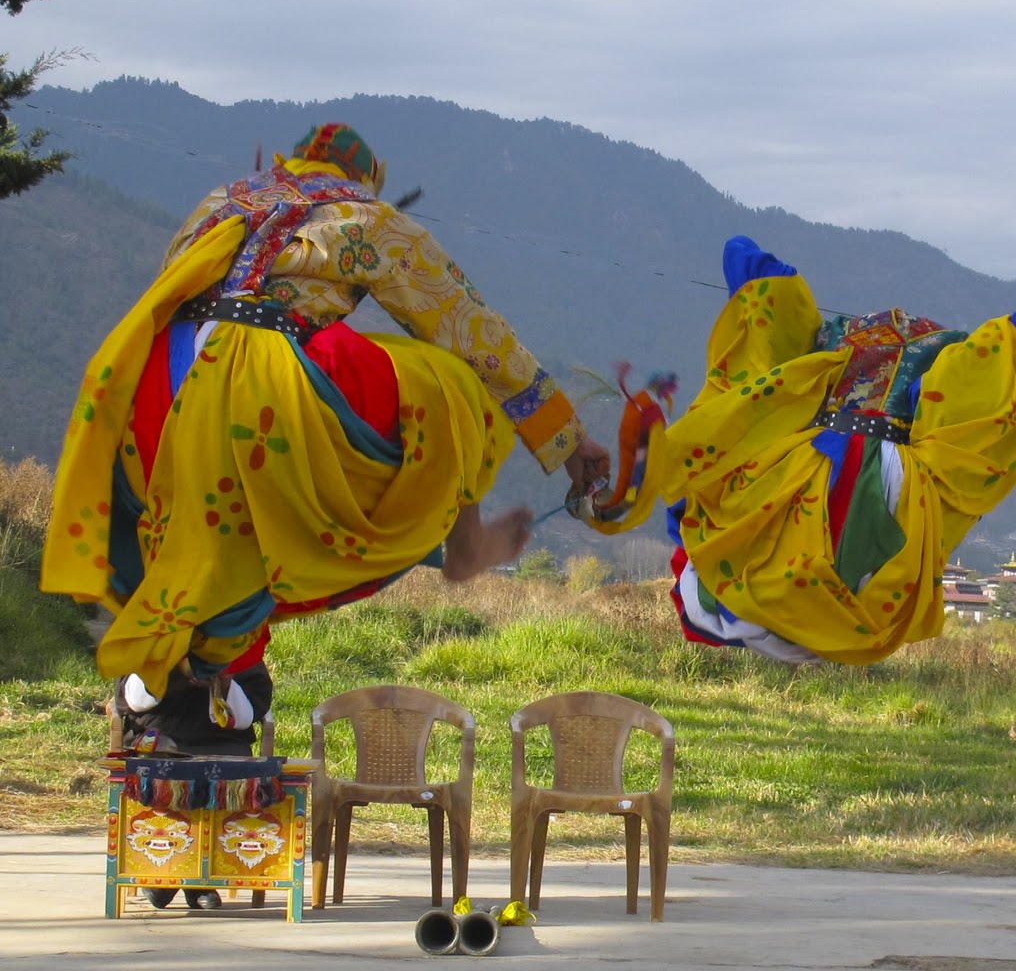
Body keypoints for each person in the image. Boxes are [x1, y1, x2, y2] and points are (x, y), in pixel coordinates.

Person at [42, 123, 610, 698]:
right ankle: (465, 542)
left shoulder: (222, 201)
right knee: (454, 383)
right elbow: (469, 328)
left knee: (213, 533)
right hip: (266, 388)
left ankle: (178, 673)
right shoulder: (366, 217)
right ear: (365, 179)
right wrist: (565, 438)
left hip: (153, 388)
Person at [629, 236, 1016, 664]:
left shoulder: (834, 334)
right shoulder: (945, 345)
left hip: (811, 460)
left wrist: (753, 281)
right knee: (857, 578)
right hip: (890, 474)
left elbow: (761, 298)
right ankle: (822, 632)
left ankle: (778, 625)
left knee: (764, 548)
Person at [114, 659, 274, 910]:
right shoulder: (152, 642)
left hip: (222, 740)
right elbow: (133, 700)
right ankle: (160, 871)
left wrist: (225, 681)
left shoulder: (237, 642)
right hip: (160, 737)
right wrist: (174, 671)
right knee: (163, 768)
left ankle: (201, 879)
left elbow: (249, 713)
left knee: (230, 771)